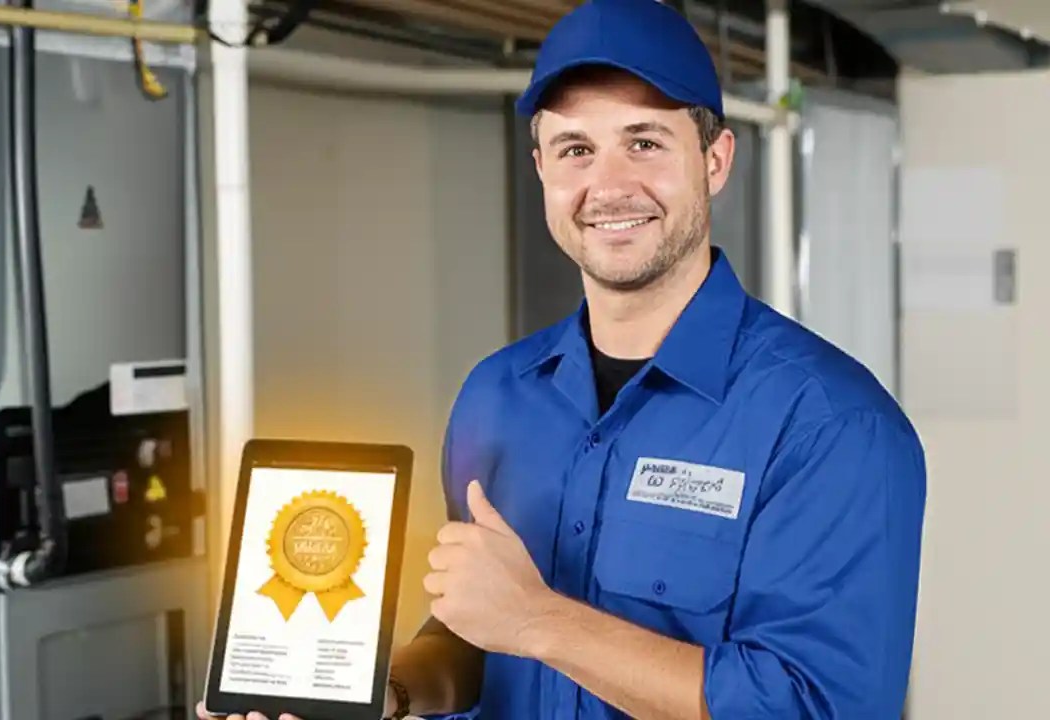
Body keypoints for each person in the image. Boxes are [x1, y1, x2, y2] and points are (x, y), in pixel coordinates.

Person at [199, 0, 927, 718]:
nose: (608, 187)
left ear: (715, 160)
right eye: (577, 149)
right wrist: (385, 695)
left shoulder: (830, 426)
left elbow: (814, 705)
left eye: (644, 142)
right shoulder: (497, 396)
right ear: (542, 168)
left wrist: (539, 621)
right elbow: (473, 637)